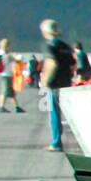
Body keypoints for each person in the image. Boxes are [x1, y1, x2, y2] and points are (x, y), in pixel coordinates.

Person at [39, 19, 75, 152]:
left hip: (54, 84)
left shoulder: (49, 45)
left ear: (45, 32)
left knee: (54, 114)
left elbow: (51, 63)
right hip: (66, 83)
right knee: (68, 113)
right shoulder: (65, 46)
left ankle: (56, 142)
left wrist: (46, 81)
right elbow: (72, 64)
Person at [0, 39, 24, 112]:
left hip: (1, 74)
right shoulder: (7, 55)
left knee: (10, 92)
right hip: (7, 75)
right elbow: (17, 60)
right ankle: (1, 107)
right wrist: (16, 56)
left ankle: (17, 107)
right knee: (5, 91)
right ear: (7, 46)